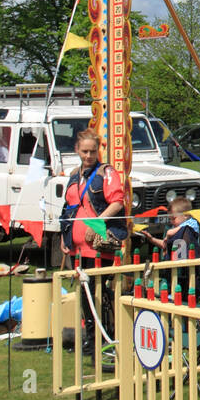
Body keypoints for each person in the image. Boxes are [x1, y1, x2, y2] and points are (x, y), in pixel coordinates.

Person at [60, 129, 127, 351]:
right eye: (84, 151)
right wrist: (64, 236)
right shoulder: (73, 174)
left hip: (98, 246)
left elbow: (117, 202)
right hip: (75, 246)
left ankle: (102, 334)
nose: (88, 155)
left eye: (92, 151)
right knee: (83, 292)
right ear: (77, 150)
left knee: (96, 291)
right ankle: (90, 336)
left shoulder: (106, 173)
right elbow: (68, 207)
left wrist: (96, 224)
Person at [148, 196, 200, 297]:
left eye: (174, 218)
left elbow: (181, 230)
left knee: (185, 288)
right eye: (170, 219)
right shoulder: (174, 227)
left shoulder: (192, 223)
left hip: (189, 267)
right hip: (176, 266)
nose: (171, 222)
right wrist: (151, 239)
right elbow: (164, 244)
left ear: (185, 215)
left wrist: (168, 234)